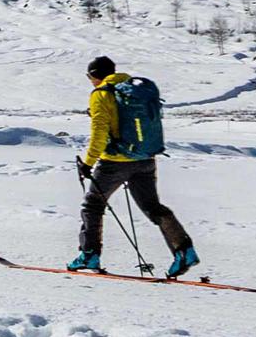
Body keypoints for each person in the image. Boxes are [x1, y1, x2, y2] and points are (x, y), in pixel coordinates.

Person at [72, 53, 198, 276]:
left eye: (89, 76)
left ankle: (90, 254)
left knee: (92, 205)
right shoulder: (132, 90)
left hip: (115, 162)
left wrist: (88, 163)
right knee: (153, 208)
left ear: (94, 75)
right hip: (145, 158)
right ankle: (184, 250)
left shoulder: (101, 94)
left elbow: (99, 133)